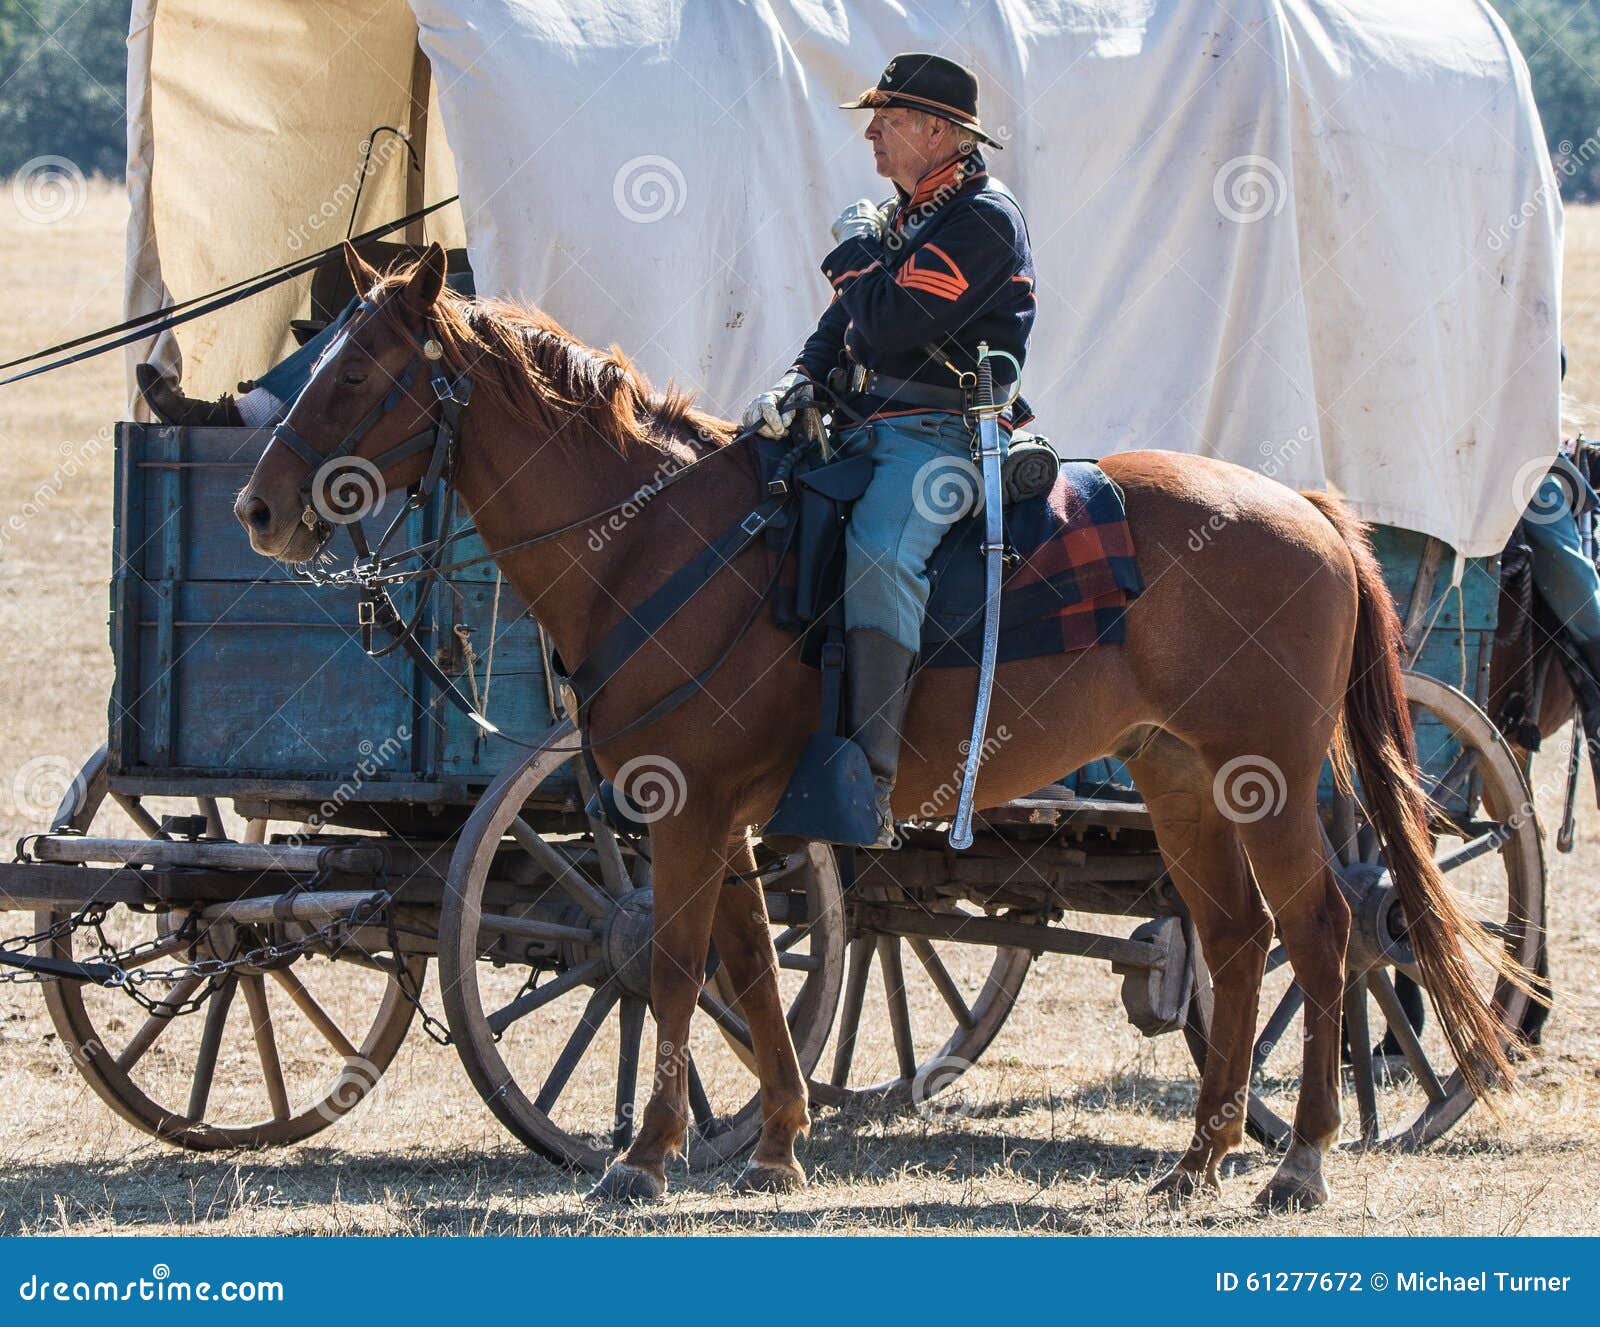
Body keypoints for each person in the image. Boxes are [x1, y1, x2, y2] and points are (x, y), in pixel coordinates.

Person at [742, 52, 1036, 846]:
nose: (871, 133)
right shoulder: (909, 215)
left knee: (878, 550)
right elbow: (843, 329)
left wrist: (852, 256)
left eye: (890, 118)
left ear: (939, 131)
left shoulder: (982, 218)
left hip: (943, 438)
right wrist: (800, 377)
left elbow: (888, 322)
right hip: (869, 426)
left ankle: (870, 782)